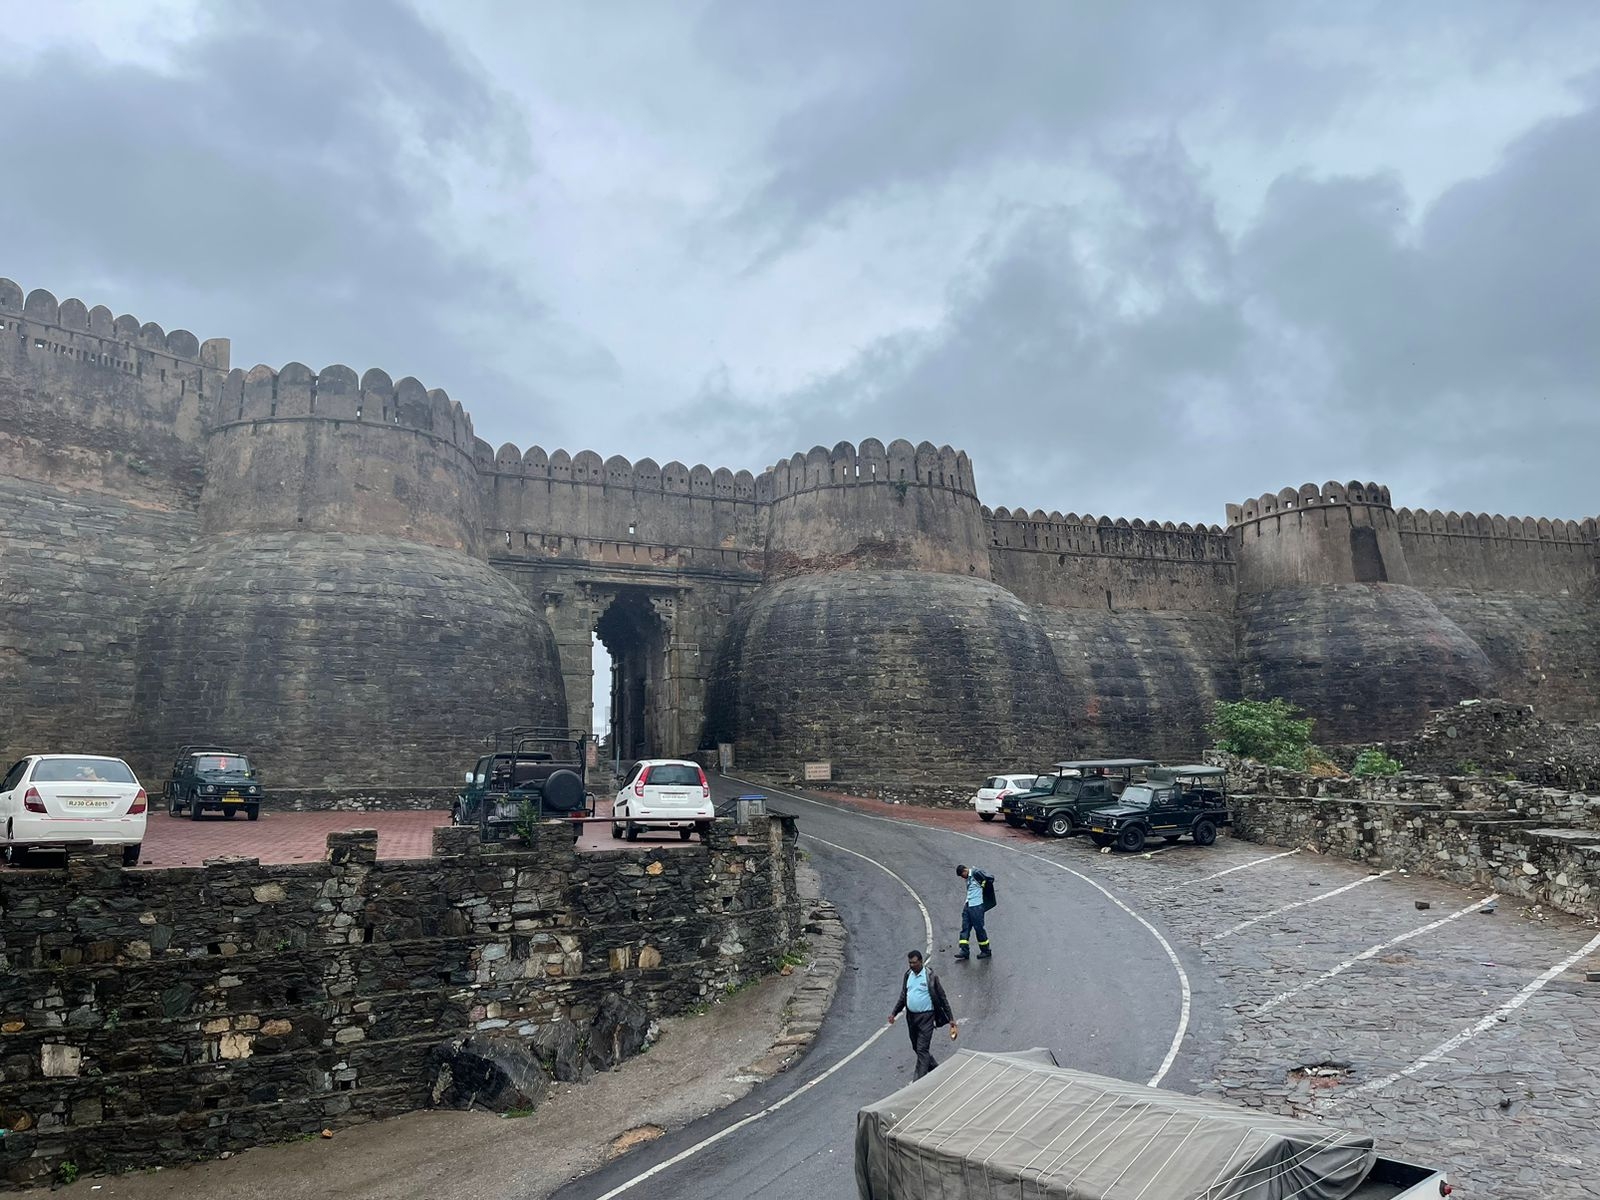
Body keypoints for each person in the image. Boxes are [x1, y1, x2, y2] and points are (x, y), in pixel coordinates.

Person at [887, 949, 956, 1078]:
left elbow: (942, 998)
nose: (912, 966)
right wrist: (894, 1013)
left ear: (921, 962)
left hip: (927, 1018)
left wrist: (951, 1018)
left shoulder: (930, 977)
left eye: (914, 963)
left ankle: (919, 1081)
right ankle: (936, 1069)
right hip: (911, 1018)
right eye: (910, 963)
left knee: (922, 1050)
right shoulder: (908, 975)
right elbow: (903, 996)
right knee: (916, 1047)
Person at [954, 864, 994, 959]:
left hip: (976, 905)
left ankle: (985, 950)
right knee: (965, 927)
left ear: (965, 870)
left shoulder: (976, 873)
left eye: (962, 875)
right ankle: (964, 951)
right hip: (968, 904)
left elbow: (990, 878)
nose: (962, 877)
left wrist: (983, 885)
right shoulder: (968, 877)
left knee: (979, 929)